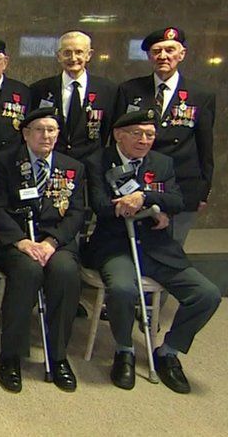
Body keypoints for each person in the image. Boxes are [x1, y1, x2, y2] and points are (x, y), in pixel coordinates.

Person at [86, 109, 220, 394]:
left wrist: (145, 198)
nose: (144, 140)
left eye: (150, 134)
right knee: (122, 290)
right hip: (116, 244)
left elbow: (176, 200)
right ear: (119, 135)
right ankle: (124, 350)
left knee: (206, 294)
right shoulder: (98, 161)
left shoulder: (163, 162)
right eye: (137, 133)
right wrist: (140, 210)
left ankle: (169, 352)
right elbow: (99, 204)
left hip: (159, 248)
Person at [0, 108, 86, 393]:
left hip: (56, 242)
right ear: (26, 133)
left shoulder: (73, 168)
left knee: (66, 273)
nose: (46, 135)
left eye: (52, 130)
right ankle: (11, 356)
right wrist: (21, 242)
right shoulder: (5, 162)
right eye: (40, 130)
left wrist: (51, 243)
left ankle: (58, 357)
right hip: (17, 242)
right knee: (27, 272)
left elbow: (76, 213)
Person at [115, 27, 214, 246]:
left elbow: (205, 147)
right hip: (135, 183)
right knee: (133, 247)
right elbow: (117, 140)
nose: (163, 56)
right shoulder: (129, 90)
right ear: (149, 56)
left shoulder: (201, 95)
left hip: (180, 185)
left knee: (172, 250)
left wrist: (203, 191)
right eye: (157, 51)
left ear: (182, 54)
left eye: (170, 50)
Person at [29, 31, 116, 163]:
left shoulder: (107, 90)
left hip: (90, 166)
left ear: (89, 55)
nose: (73, 58)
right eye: (67, 53)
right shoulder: (39, 89)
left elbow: (108, 130)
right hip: (52, 163)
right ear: (59, 56)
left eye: (79, 52)